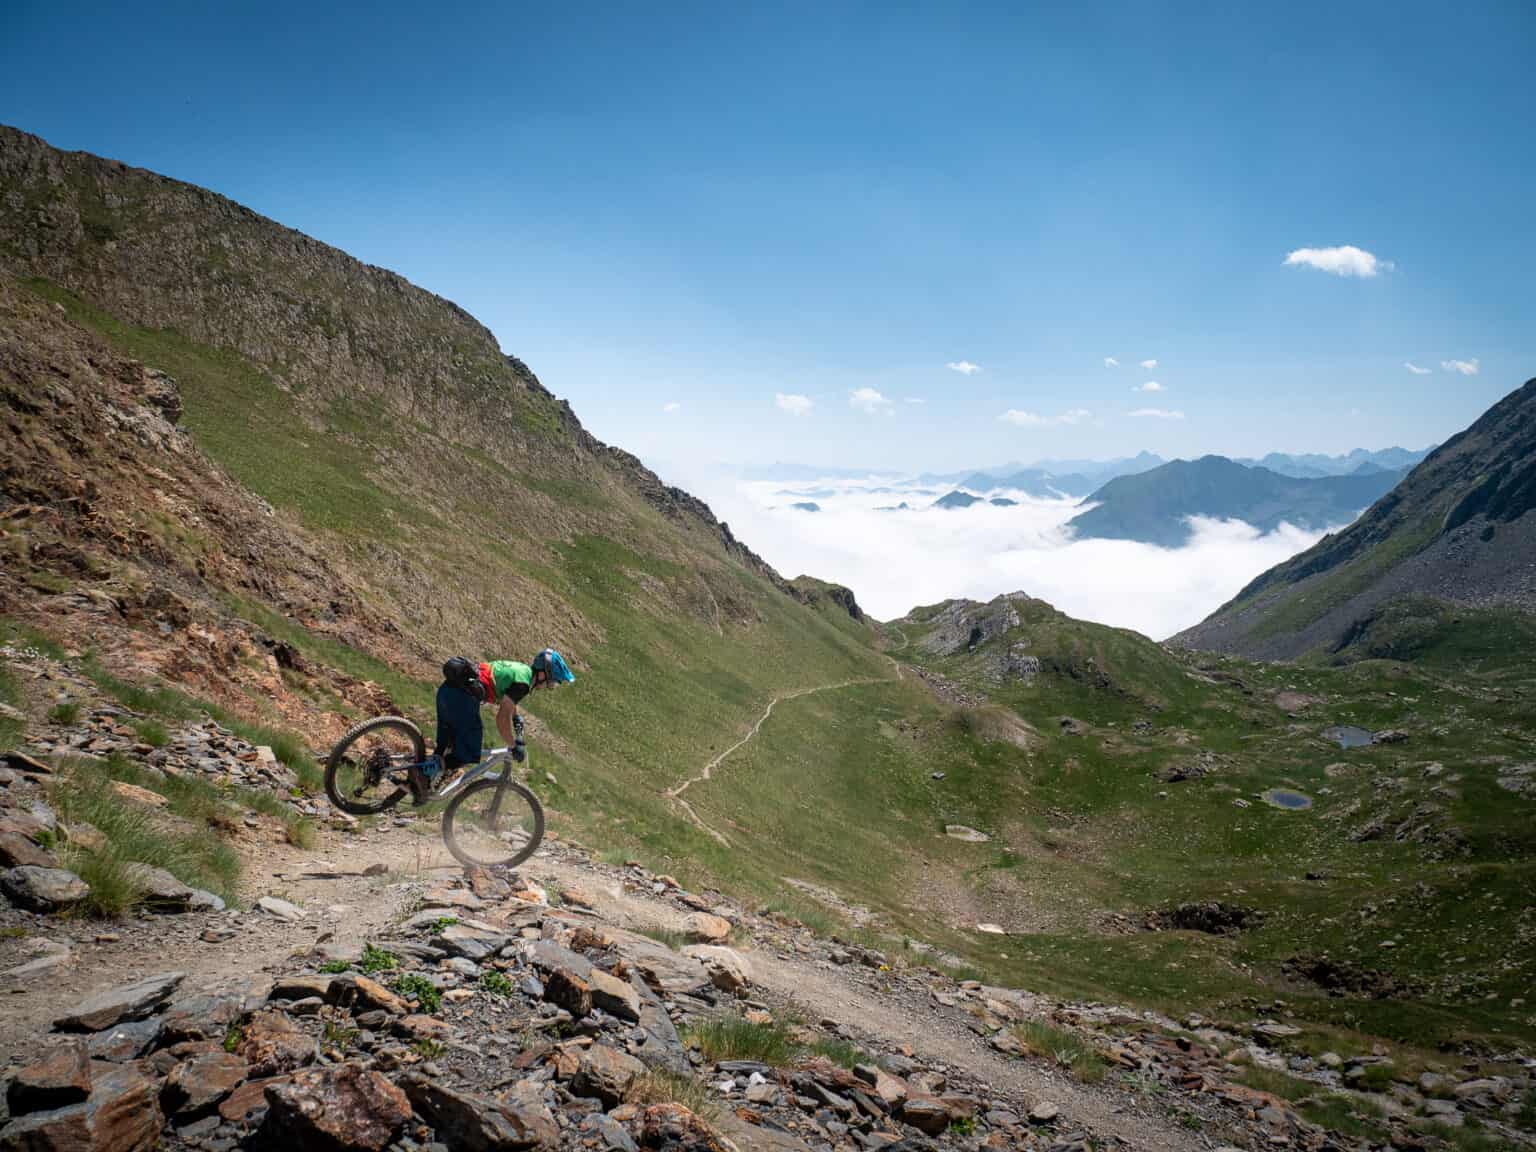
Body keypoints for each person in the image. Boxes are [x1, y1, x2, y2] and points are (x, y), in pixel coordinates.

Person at [413, 649, 575, 804]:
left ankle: (415, 786)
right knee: (469, 750)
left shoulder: (522, 670)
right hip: (462, 698)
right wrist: (513, 746)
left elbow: (508, 700)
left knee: (444, 747)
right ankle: (421, 774)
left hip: (448, 691)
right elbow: (501, 718)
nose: (548, 686)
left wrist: (516, 716)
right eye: (551, 681)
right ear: (542, 673)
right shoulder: (523, 684)